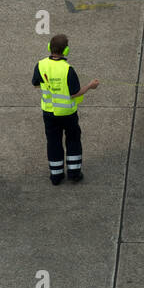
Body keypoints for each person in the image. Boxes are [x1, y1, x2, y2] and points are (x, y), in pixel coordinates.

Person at [32, 34, 99, 185]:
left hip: (49, 112)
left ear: (49, 48)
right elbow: (75, 93)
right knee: (73, 140)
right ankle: (74, 173)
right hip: (68, 114)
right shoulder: (68, 70)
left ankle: (56, 176)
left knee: (53, 142)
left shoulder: (40, 65)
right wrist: (90, 86)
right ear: (66, 50)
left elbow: (36, 84)